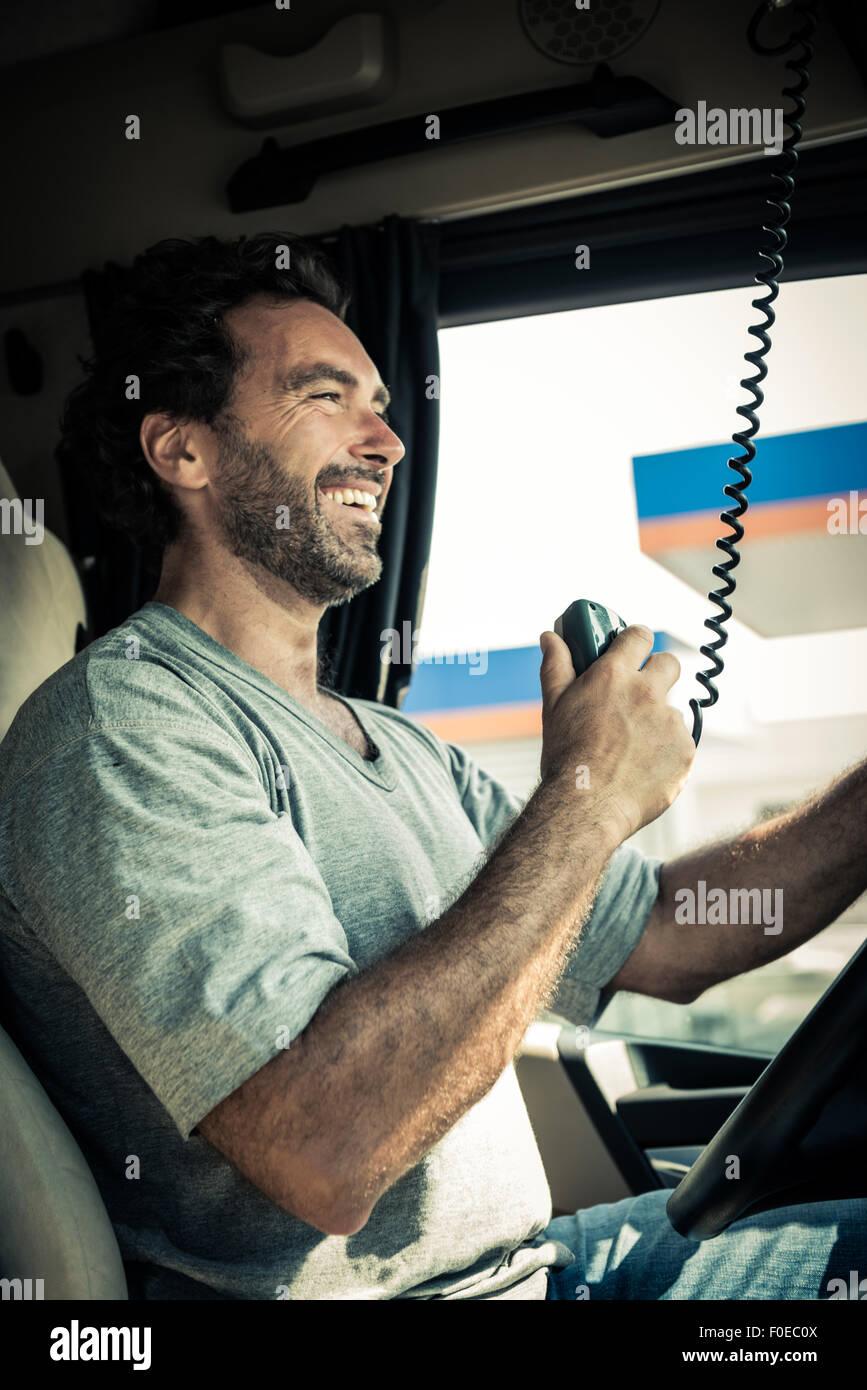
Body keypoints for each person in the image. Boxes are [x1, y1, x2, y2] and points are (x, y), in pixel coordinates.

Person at [0, 233, 864, 1301]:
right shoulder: (120, 726)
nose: (388, 443)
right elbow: (327, 1150)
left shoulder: (402, 747)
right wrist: (584, 803)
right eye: (329, 397)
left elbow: (672, 938)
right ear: (186, 453)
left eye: (381, 402)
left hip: (550, 1266)